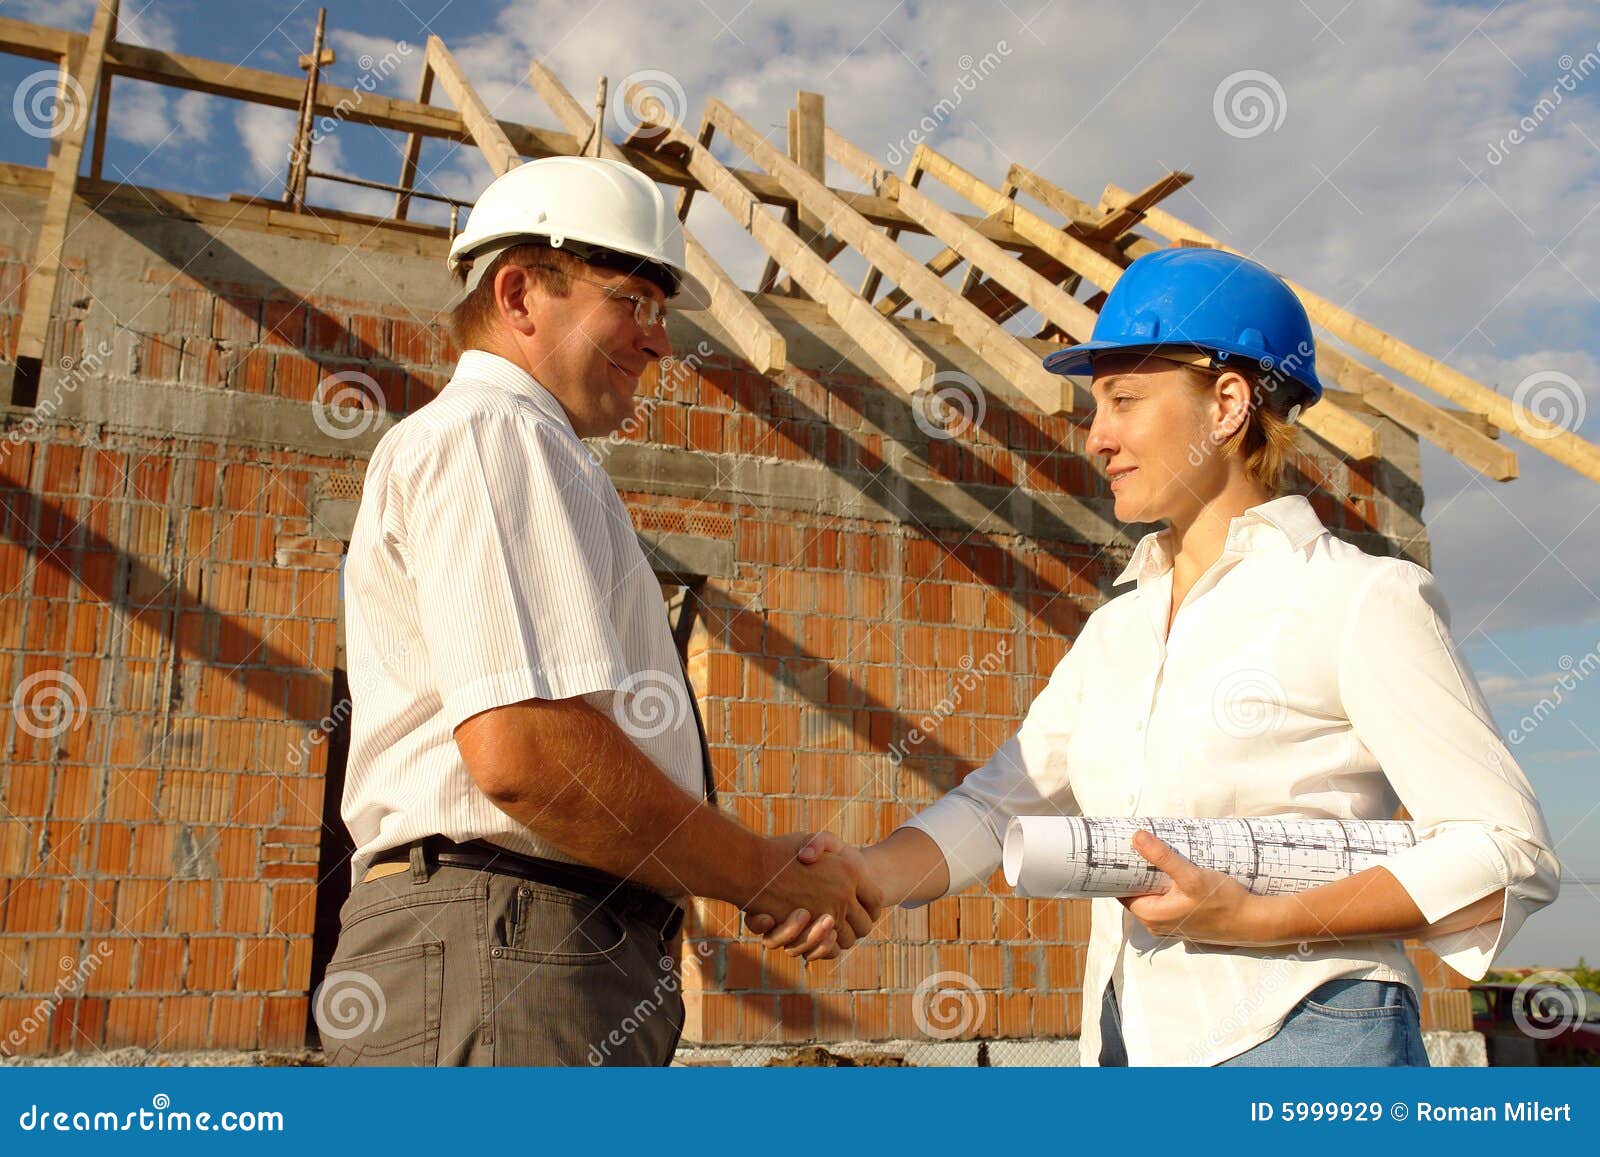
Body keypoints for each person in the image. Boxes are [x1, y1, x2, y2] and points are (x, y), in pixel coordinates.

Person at [751, 247, 1560, 1066]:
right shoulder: (1118, 629)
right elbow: (1001, 805)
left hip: (1305, 1035)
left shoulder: (1358, 599)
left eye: (1124, 401)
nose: (1096, 438)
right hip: (1127, 1038)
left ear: (1228, 404)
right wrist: (865, 875)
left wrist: (1256, 917)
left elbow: (1505, 853)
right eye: (1095, 406)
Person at [324, 156, 880, 1067]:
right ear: (518, 293)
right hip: (505, 944)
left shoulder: (527, 446)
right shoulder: (494, 432)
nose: (659, 341)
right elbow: (526, 751)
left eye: (662, 312)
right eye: (634, 300)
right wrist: (759, 874)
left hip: (537, 943)